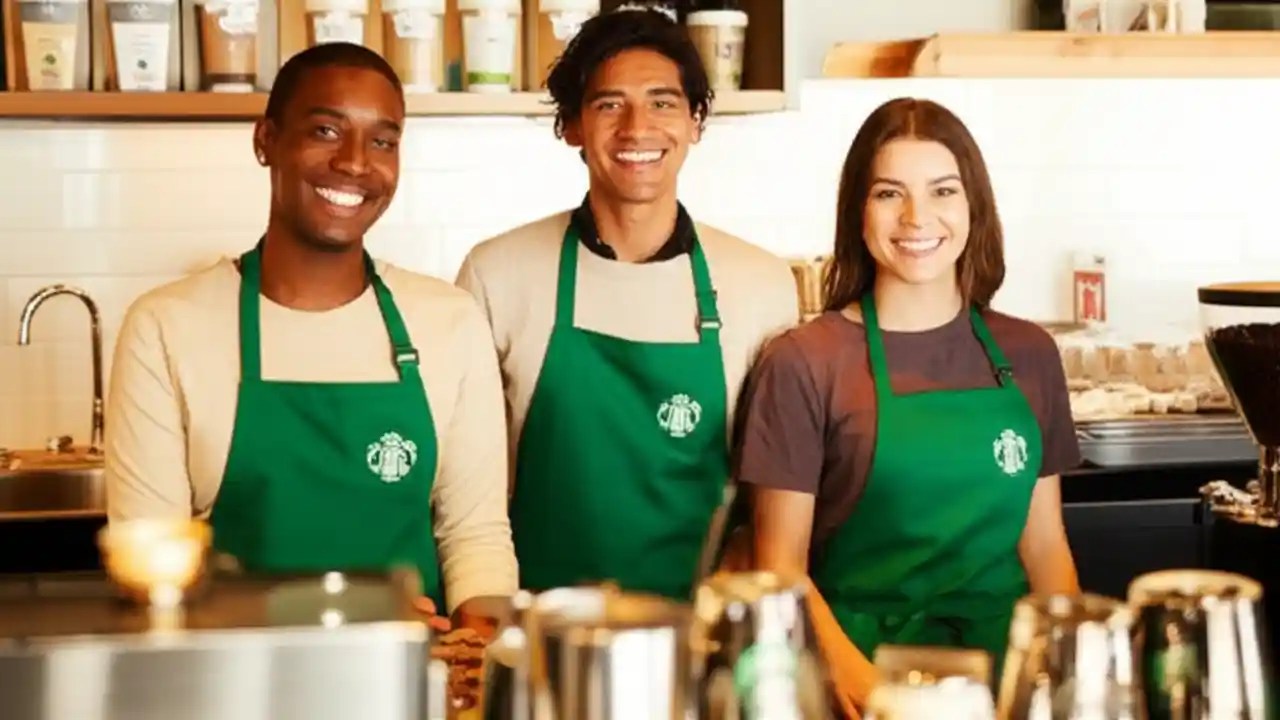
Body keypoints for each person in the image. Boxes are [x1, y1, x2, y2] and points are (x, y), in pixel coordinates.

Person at [104, 42, 518, 635]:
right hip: (236, 687)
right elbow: (149, 580)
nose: (355, 162)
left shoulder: (449, 322)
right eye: (326, 129)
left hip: (408, 686)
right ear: (265, 140)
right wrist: (345, 616)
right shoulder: (167, 326)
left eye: (383, 140)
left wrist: (477, 653)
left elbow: (475, 536)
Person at [734, 97, 1082, 717]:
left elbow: (1045, 546)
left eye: (943, 190)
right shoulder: (804, 362)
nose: (917, 217)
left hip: (1005, 684)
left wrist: (1069, 677)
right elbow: (779, 571)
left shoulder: (1028, 353)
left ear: (973, 204)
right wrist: (881, 698)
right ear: (858, 212)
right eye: (890, 193)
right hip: (859, 677)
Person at [455, 7, 798, 601]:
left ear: (696, 122)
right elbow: (470, 500)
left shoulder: (761, 285)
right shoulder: (497, 274)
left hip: (697, 642)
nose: (637, 128)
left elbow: (766, 507)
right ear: (572, 126)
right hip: (542, 636)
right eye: (609, 104)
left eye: (663, 103)